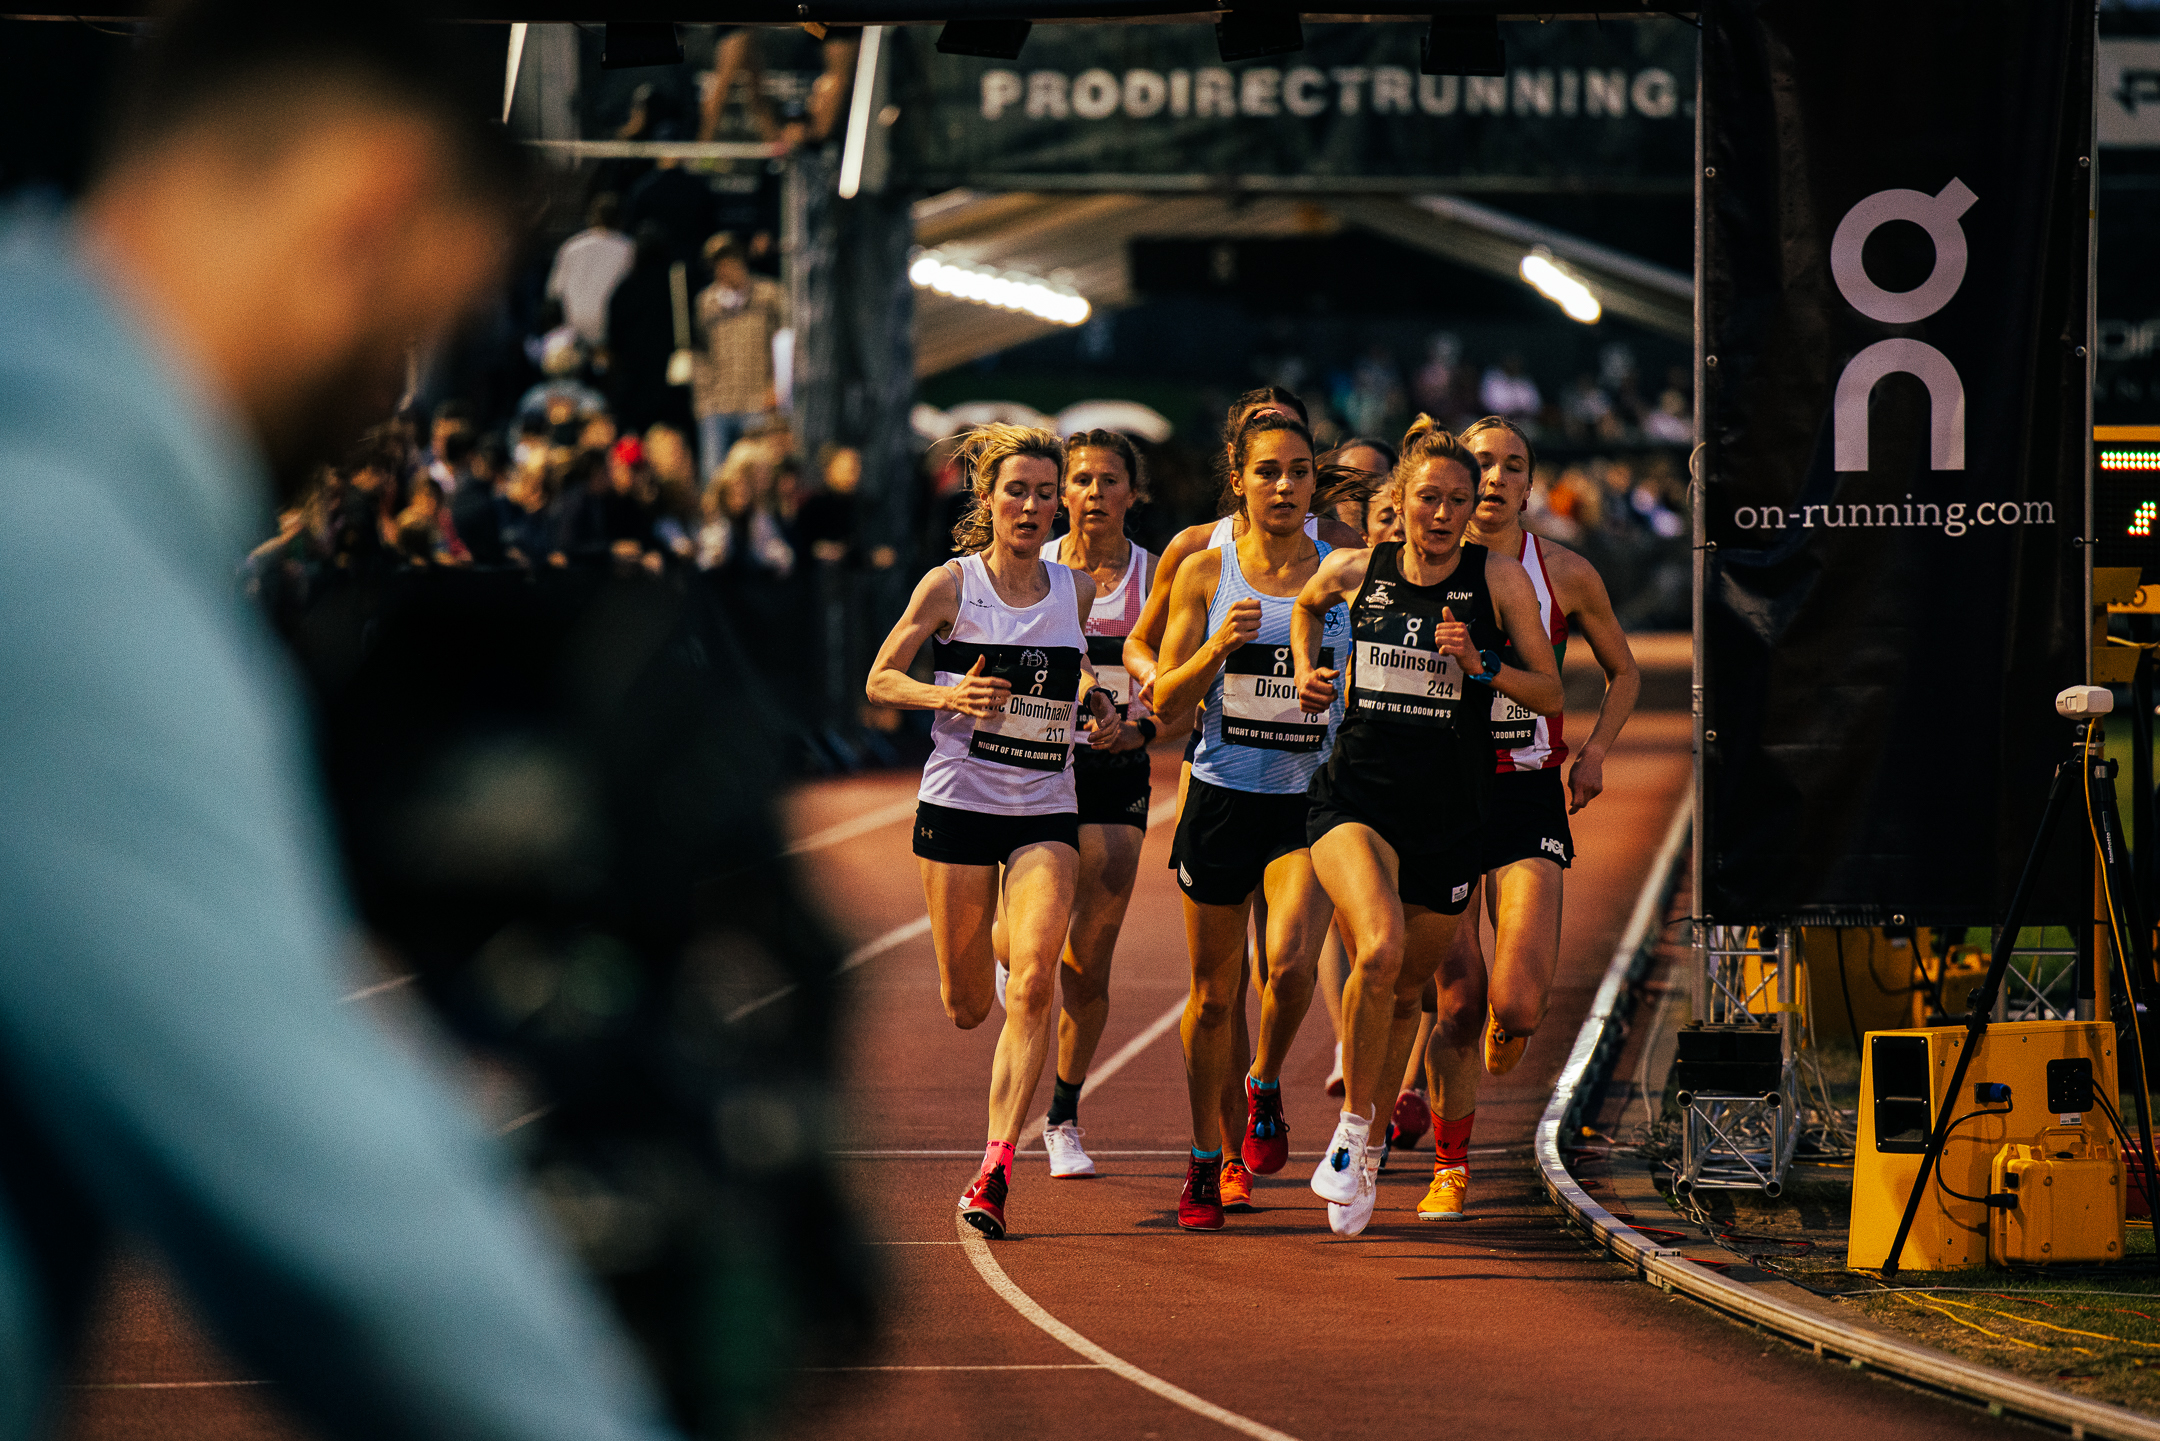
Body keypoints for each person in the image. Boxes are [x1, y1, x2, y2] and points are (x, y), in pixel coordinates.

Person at [0, 4, 688, 1439]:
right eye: (433, 311)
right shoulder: (54, 552)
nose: (399, 385)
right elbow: (372, 1262)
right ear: (370, 206)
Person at [1291, 418, 1563, 1237]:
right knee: (1374, 947)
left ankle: (1366, 1140)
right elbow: (1306, 607)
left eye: (1458, 500)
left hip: (1451, 813)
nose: (1442, 515)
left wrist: (1484, 667)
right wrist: (1311, 668)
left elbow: (1548, 695)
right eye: (1427, 500)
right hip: (1356, 798)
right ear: (1398, 503)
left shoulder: (1503, 582)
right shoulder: (1354, 567)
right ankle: (1351, 1135)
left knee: (1408, 988)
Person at [863, 423, 1123, 1240]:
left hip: (1045, 802)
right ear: (986, 497)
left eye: (1049, 493)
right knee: (968, 1003)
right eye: (1018, 490)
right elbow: (880, 677)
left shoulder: (1074, 589)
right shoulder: (951, 586)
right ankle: (1005, 955)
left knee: (1040, 975)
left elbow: (1074, 675)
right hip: (960, 803)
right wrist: (950, 698)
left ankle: (995, 1166)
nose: (1035, 506)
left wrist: (1099, 706)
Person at [1119, 387, 1361, 1210]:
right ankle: (1200, 1156)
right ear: (1240, 478)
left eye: (1299, 473)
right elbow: (1167, 709)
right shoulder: (1201, 569)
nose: (1286, 487)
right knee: (1215, 996)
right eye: (1268, 473)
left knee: (1290, 965)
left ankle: (1263, 1081)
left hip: (1307, 800)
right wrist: (1219, 648)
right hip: (1221, 794)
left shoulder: (1346, 567)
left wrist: (1338, 692)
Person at [1414, 415, 1641, 1222]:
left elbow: (1625, 670)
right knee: (1457, 1000)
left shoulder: (1564, 573)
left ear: (1528, 482)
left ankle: (1474, 1046)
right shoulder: (1421, 567)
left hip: (1528, 786)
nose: (1499, 477)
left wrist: (1598, 752)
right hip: (1441, 788)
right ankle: (1450, 1161)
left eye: (1514, 465)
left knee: (1515, 1004)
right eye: (1484, 463)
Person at [1030, 428, 1160, 1180]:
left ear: (1131, 493)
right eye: (1079, 480)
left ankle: (1064, 1114)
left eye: (1110, 480)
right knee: (1030, 950)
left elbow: (1173, 688)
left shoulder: (1153, 574)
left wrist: (1134, 724)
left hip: (1115, 770)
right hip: (1032, 766)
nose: (1093, 494)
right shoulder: (1032, 568)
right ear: (1061, 492)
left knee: (1088, 960)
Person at [691, 232, 787, 484]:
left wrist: (778, 385)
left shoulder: (768, 296)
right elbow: (701, 353)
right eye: (718, 264)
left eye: (730, 260)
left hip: (758, 399)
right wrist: (704, 400)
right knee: (716, 476)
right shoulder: (707, 303)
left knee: (760, 475)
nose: (725, 268)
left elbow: (785, 345)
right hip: (719, 403)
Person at [546, 192, 637, 350]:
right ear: (621, 220)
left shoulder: (571, 246)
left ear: (592, 218)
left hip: (573, 334)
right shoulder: (629, 247)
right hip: (612, 335)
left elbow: (553, 294)